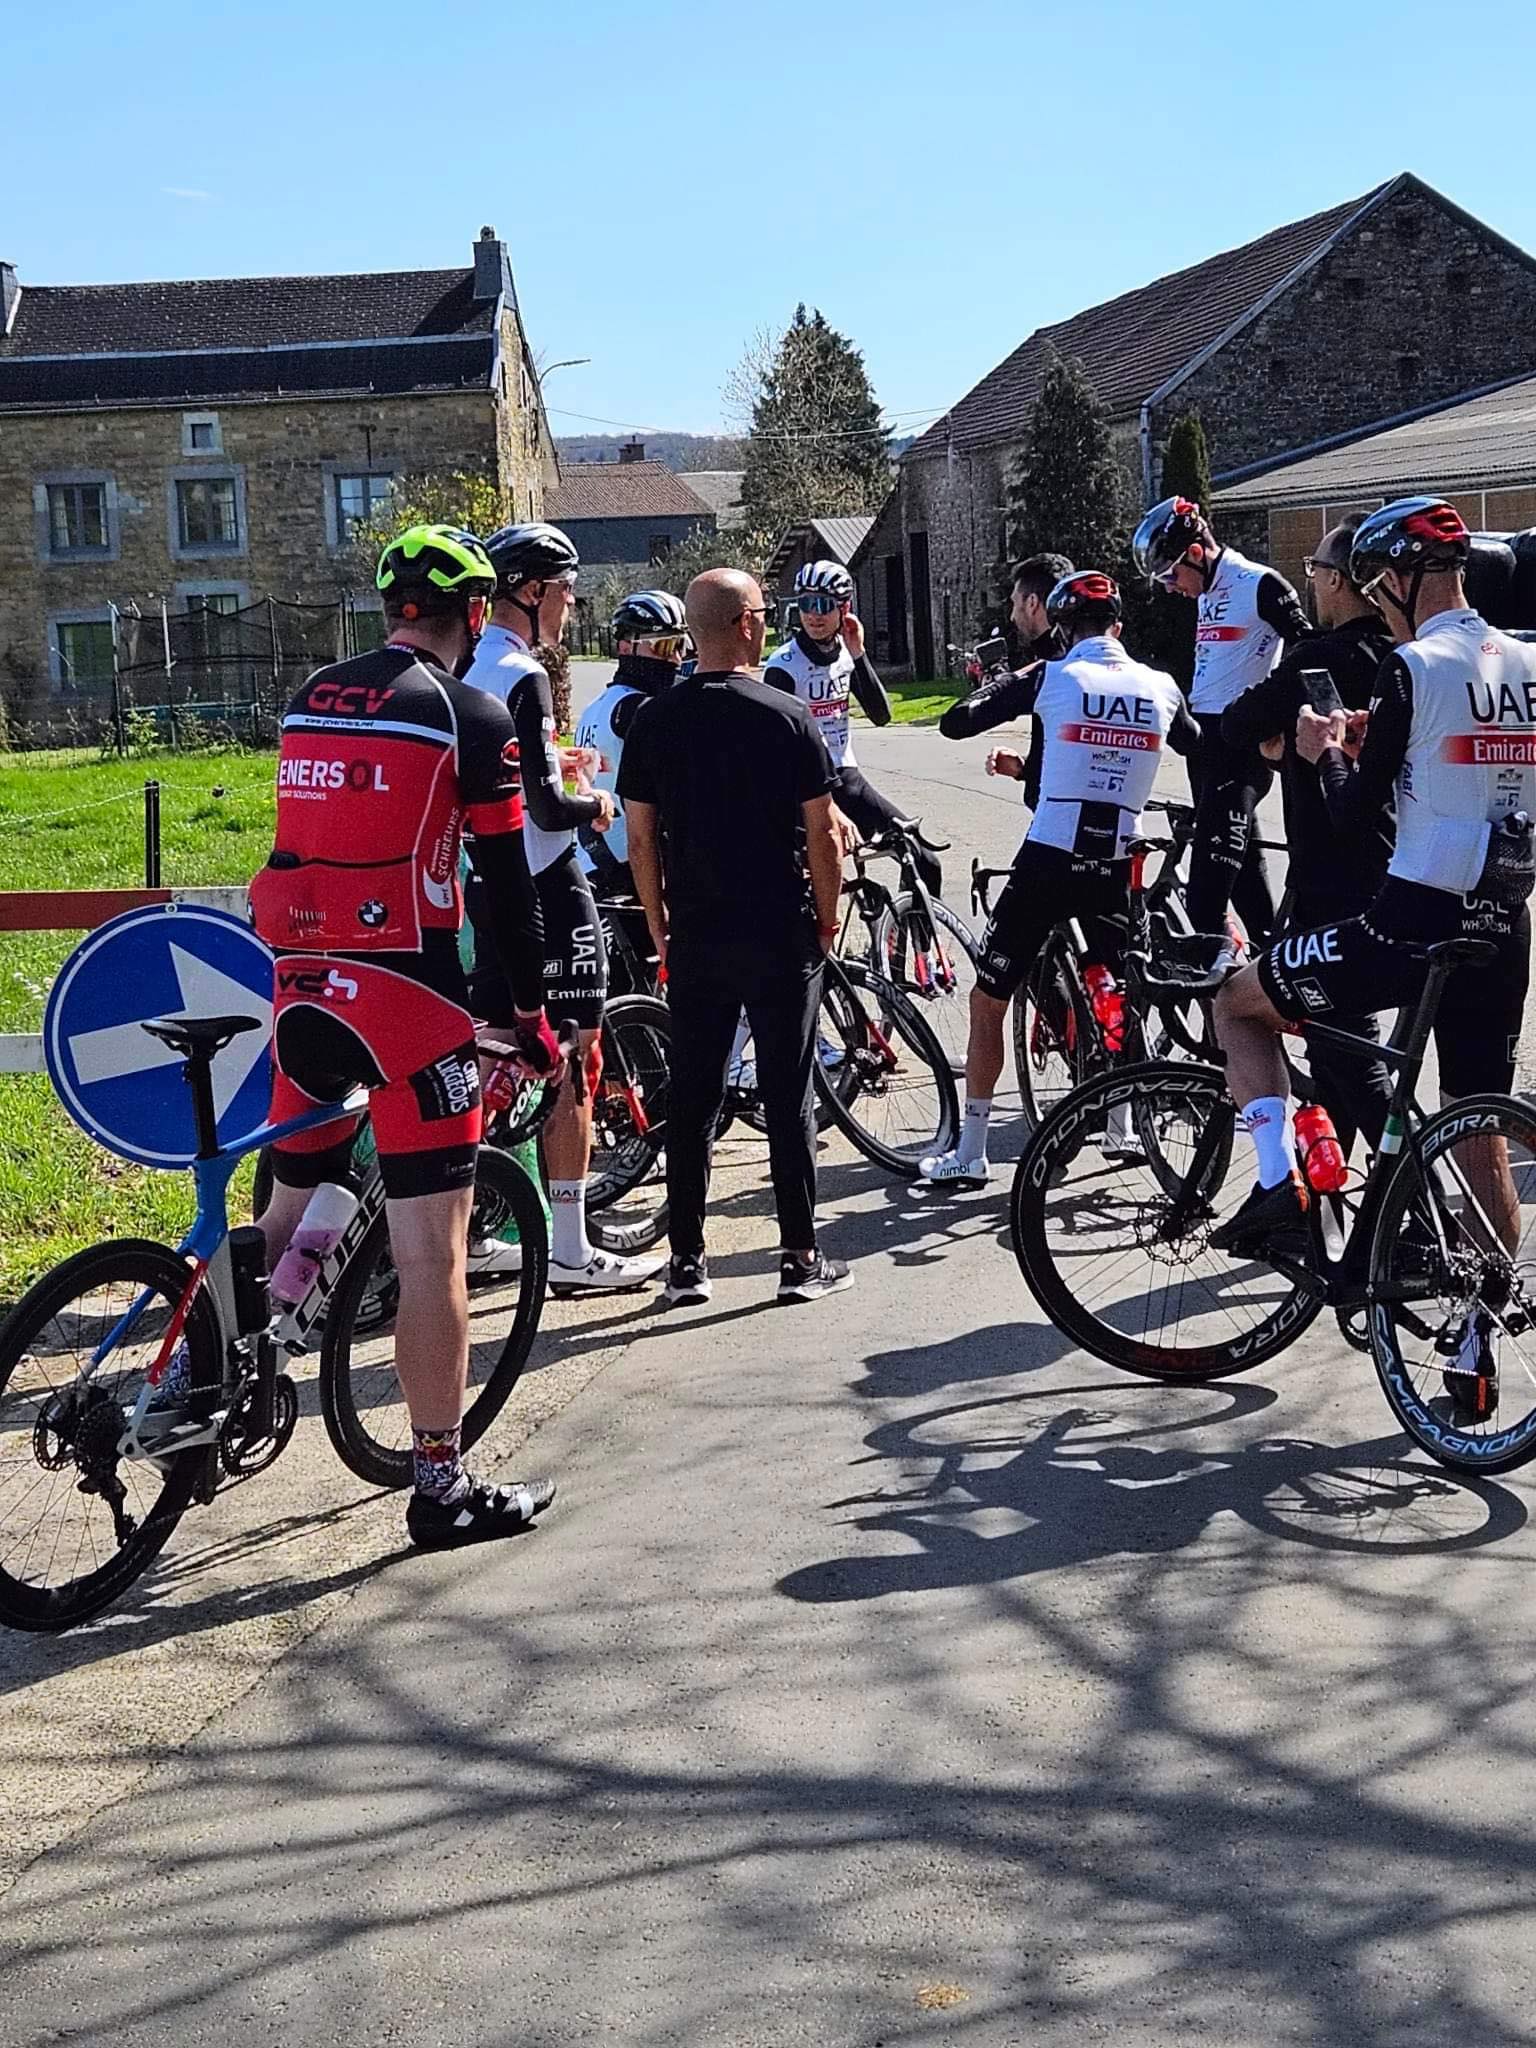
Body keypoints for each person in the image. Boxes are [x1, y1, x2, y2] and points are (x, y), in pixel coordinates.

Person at [249, 524, 559, 1550]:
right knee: (434, 1254)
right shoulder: (469, 712)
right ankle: (441, 1482)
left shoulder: (312, 694)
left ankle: (213, 1381)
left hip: (300, 989)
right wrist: (528, 1016)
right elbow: (507, 892)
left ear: (391, 608)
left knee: (286, 1208)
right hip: (408, 1010)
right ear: (474, 614)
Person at [1213, 496, 1536, 1416]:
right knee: (1478, 1125)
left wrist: (1323, 751)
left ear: (1396, 579)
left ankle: (1280, 1185)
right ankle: (1477, 1340)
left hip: (1409, 919)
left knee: (1241, 1001)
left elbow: (1355, 813)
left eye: (1375, 586)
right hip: (1505, 921)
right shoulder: (1527, 660)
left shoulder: (1409, 664)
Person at [619, 567, 851, 1306]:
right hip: (779, 927)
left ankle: (686, 1260)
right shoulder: (786, 716)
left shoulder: (655, 720)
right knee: (788, 1093)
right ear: (750, 624)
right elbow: (824, 836)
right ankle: (799, 1257)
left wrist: (660, 927)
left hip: (697, 931)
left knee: (693, 1094)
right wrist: (828, 916)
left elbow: (640, 839)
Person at [919, 571, 1197, 1187]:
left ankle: (971, 1149)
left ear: (1062, 630)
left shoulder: (1052, 674)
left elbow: (956, 723)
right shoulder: (1161, 686)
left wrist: (1008, 679)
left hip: (1049, 859)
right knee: (1122, 992)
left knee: (988, 997)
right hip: (1116, 860)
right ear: (1119, 628)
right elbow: (1197, 744)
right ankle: (1124, 1125)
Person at [463, 521, 663, 1295]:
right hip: (547, 885)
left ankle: (475, 1226)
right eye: (569, 593)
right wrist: (597, 801)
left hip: (481, 883)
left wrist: (558, 767)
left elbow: (507, 780)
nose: (573, 610)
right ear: (534, 591)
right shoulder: (524, 673)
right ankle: (573, 1251)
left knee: (493, 1055)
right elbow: (546, 810)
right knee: (574, 1057)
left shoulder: (465, 666)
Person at [1221, 517, 1397, 1155]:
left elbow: (1237, 723)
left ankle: (1420, 1205)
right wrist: (1286, 752)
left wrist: (1278, 746)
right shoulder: (1400, 658)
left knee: (1338, 1046)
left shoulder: (1320, 658)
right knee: (1334, 1049)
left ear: (1342, 582)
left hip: (1332, 880)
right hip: (1399, 870)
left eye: (1317, 570)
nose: (1314, 582)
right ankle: (1332, 1204)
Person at [1132, 495, 1312, 943]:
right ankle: (1273, 980)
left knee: (1205, 900)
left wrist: (1276, 716)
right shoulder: (1208, 590)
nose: (1171, 587)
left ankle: (1236, 1001)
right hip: (1207, 748)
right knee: (1248, 882)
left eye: (1171, 574)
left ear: (1196, 553)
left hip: (1240, 751)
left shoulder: (1259, 583)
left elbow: (1309, 652)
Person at [764, 561, 941, 893]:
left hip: (849, 781)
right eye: (806, 604)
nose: (814, 615)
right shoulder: (784, 666)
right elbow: (778, 752)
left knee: (925, 859)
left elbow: (881, 715)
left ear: (844, 608)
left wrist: (859, 654)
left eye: (824, 605)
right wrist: (824, 808)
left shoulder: (847, 652)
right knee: (809, 887)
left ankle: (905, 941)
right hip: (806, 793)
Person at [574, 588, 688, 898]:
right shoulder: (639, 710)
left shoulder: (594, 707)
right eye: (664, 646)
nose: (676, 658)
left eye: (680, 645)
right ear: (626, 647)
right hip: (629, 869)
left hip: (593, 858)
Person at [937, 553, 1072, 807]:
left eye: (1015, 603)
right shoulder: (1111, 669)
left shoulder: (1049, 671)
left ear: (1032, 603)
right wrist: (1023, 770)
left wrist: (999, 683)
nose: (1012, 616)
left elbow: (956, 722)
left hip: (1059, 828)